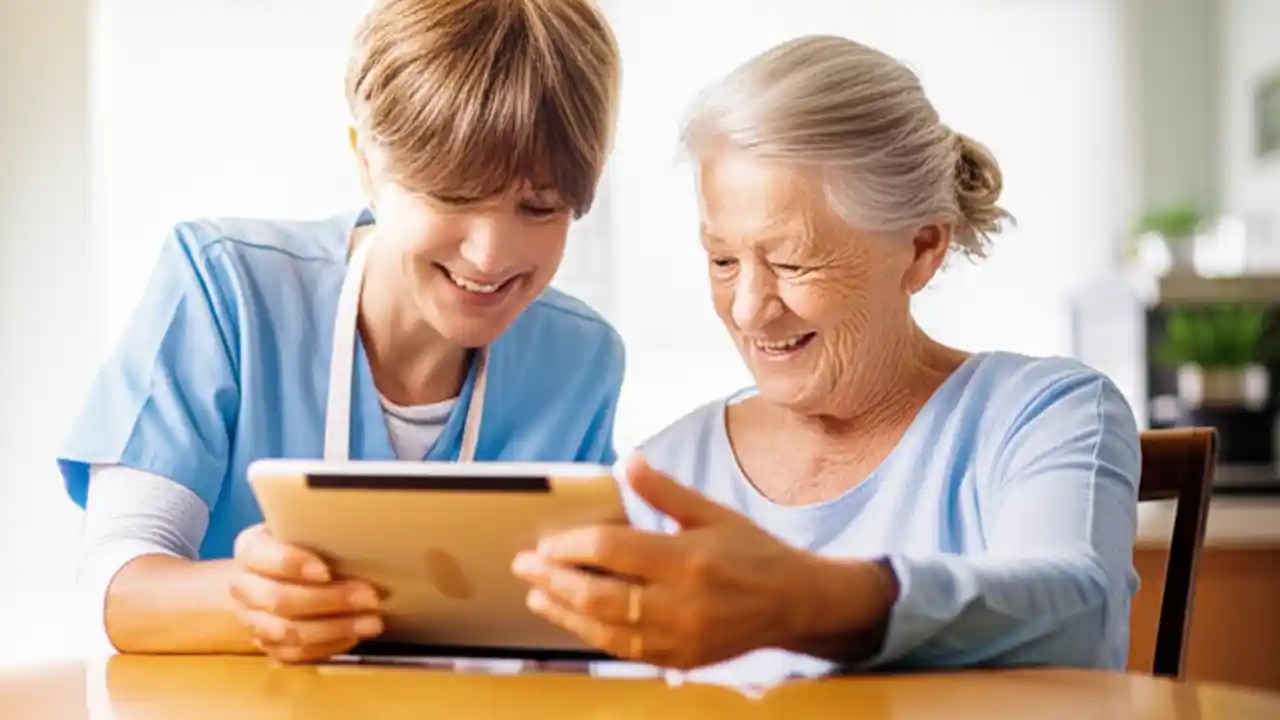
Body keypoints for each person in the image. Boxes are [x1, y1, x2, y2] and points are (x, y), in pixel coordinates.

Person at [511, 34, 1141, 685]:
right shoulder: (665, 473)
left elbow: (1077, 608)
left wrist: (801, 602)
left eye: (792, 262)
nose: (750, 309)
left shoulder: (1042, 414)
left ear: (922, 247)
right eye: (723, 260)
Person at [60, 0, 622, 663]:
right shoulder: (225, 289)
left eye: (540, 207)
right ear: (366, 163)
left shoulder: (580, 360)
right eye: (453, 195)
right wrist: (250, 603)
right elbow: (117, 587)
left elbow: (566, 647)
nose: (490, 255)